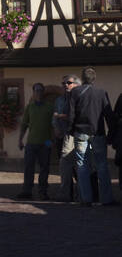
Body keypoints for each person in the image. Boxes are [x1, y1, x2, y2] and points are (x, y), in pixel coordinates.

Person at [67, 66, 115, 207]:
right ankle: (106, 199)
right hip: (98, 132)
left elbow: (71, 113)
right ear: (94, 78)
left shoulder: (75, 92)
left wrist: (70, 130)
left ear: (82, 78)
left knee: (82, 166)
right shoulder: (101, 92)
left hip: (81, 132)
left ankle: (86, 198)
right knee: (102, 166)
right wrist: (111, 133)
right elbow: (108, 114)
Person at [15, 83, 54, 200]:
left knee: (44, 169)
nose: (39, 92)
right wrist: (20, 140)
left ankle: (43, 192)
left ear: (43, 92)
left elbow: (54, 125)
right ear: (33, 92)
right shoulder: (30, 107)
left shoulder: (50, 107)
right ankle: (27, 191)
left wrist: (51, 141)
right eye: (37, 90)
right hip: (31, 143)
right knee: (28, 168)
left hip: (45, 143)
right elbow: (24, 125)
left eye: (41, 90)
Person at [54, 76, 79, 204]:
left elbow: (72, 116)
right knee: (64, 166)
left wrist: (60, 116)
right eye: (63, 83)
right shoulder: (59, 100)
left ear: (75, 84)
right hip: (62, 136)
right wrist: (56, 127)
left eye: (68, 83)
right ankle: (67, 193)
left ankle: (80, 193)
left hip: (75, 134)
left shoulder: (77, 98)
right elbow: (54, 115)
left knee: (77, 166)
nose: (65, 85)